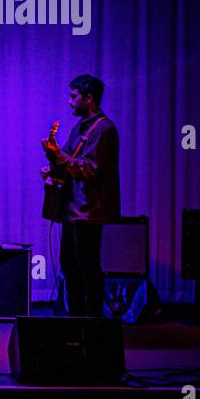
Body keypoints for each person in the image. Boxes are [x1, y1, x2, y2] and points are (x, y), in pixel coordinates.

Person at [41, 75, 121, 317]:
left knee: (88, 267)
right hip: (72, 209)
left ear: (89, 98)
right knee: (69, 265)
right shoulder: (79, 127)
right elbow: (68, 161)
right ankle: (75, 319)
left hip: (89, 212)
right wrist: (52, 162)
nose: (69, 101)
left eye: (74, 96)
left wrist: (60, 157)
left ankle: (92, 321)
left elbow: (89, 168)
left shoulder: (104, 129)